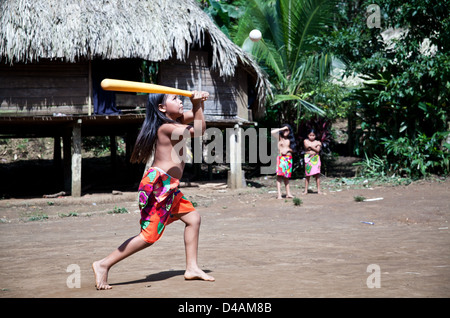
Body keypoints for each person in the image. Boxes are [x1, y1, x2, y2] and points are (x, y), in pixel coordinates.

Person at [92, 91, 215, 290]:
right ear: (161, 108)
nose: (180, 100)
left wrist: (198, 102)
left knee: (193, 218)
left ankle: (192, 268)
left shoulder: (175, 121)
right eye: (174, 99)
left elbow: (195, 114)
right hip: (159, 186)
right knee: (149, 236)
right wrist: (197, 104)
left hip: (169, 186)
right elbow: (199, 130)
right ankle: (103, 264)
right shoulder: (166, 127)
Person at [271, 124, 296, 199]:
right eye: (284, 130)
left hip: (288, 159)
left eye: (287, 130)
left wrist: (288, 149)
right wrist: (282, 128)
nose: (285, 131)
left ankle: (288, 193)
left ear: (289, 131)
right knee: (279, 177)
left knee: (286, 177)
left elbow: (294, 150)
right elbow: (272, 132)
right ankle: (279, 194)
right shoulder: (279, 138)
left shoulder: (290, 139)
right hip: (281, 158)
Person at [303, 129, 322, 194]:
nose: (312, 137)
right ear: (308, 135)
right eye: (310, 135)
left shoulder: (318, 142)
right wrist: (314, 147)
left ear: (315, 136)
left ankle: (319, 190)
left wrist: (311, 147)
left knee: (317, 174)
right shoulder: (305, 141)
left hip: (315, 159)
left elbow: (318, 150)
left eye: (313, 135)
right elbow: (307, 147)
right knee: (307, 175)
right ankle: (305, 190)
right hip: (308, 158)